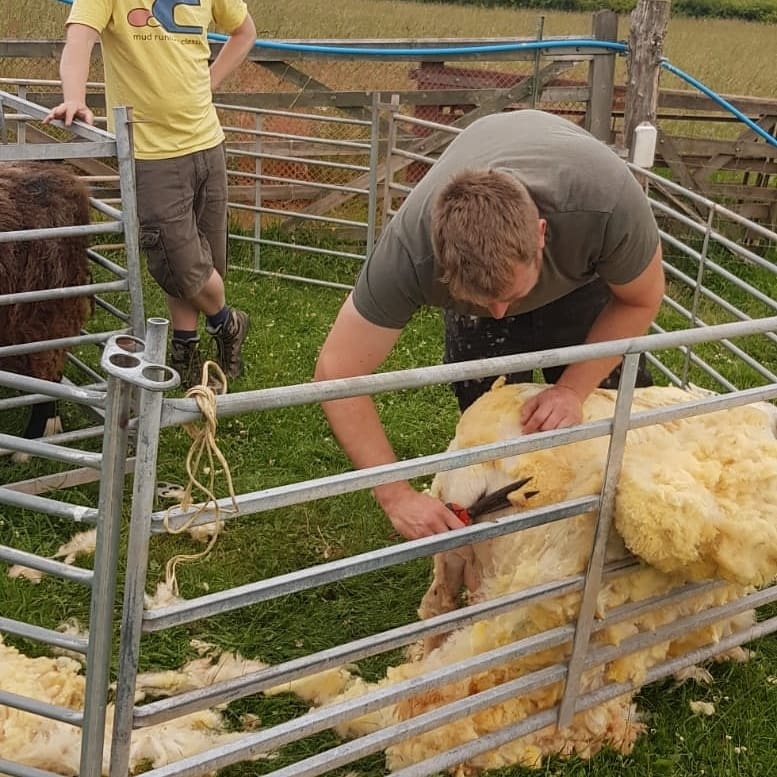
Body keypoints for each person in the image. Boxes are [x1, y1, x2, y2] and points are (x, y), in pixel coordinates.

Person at [314, 109, 665, 540]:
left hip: (578, 277)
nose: (501, 313)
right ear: (441, 263)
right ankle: (503, 551)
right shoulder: (410, 252)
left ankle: (604, 543)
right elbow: (336, 368)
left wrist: (573, 389)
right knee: (491, 435)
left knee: (610, 418)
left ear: (540, 235)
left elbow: (641, 298)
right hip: (495, 276)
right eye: (484, 300)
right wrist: (397, 495)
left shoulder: (604, 203)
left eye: (511, 296)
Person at [45, 0, 257, 388]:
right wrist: (73, 96)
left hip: (208, 142)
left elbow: (245, 32)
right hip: (151, 151)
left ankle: (184, 347)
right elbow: (79, 39)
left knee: (202, 258)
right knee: (182, 262)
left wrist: (210, 81)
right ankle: (228, 323)